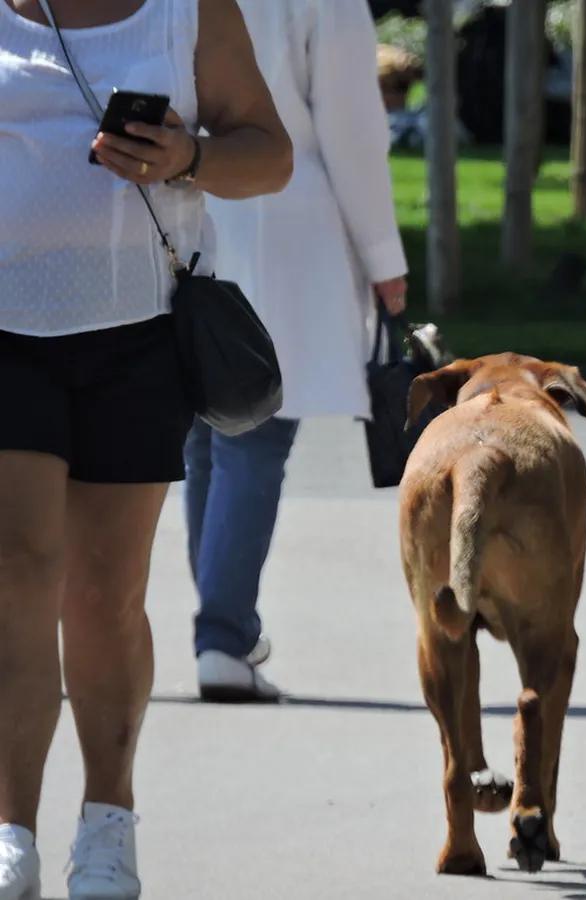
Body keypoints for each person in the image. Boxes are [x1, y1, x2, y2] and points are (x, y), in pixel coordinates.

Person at [0, 0, 291, 896]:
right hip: (6, 334)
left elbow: (269, 154)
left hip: (137, 335)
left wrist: (190, 155)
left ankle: (107, 820)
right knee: (16, 573)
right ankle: (10, 830)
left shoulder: (188, 10)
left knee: (104, 592)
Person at [185, 0, 410, 703]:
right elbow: (351, 129)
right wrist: (384, 254)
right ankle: (224, 634)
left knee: (206, 436)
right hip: (286, 211)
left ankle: (226, 631)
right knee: (253, 440)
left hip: (189, 201)